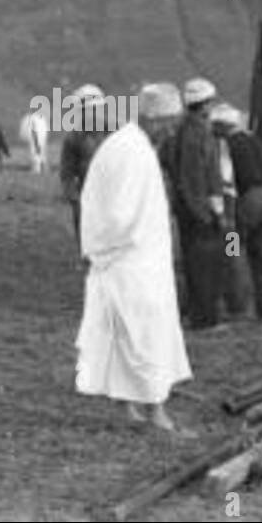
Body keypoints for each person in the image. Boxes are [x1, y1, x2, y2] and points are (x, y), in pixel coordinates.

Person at [76, 82, 194, 435]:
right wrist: (113, 251)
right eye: (169, 123)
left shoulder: (129, 145)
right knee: (146, 337)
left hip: (133, 261)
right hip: (133, 264)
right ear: (150, 118)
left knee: (131, 337)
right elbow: (118, 215)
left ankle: (132, 408)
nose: (172, 131)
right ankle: (155, 412)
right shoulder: (131, 151)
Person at [169, 77, 227, 330]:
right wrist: (211, 212)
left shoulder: (183, 129)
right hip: (203, 212)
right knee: (207, 264)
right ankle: (207, 318)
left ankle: (198, 313)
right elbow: (200, 178)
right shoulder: (199, 133)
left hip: (190, 209)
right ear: (203, 105)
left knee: (196, 264)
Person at [214, 106, 262, 319]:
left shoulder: (225, 145)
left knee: (234, 252)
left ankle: (239, 307)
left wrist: (228, 216)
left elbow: (227, 181)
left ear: (223, 126)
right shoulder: (257, 142)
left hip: (243, 204)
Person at [59, 84, 109, 241]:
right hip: (85, 196)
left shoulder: (115, 133)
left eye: (95, 110)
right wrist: (74, 199)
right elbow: (67, 173)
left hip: (112, 195)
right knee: (87, 240)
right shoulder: (73, 137)